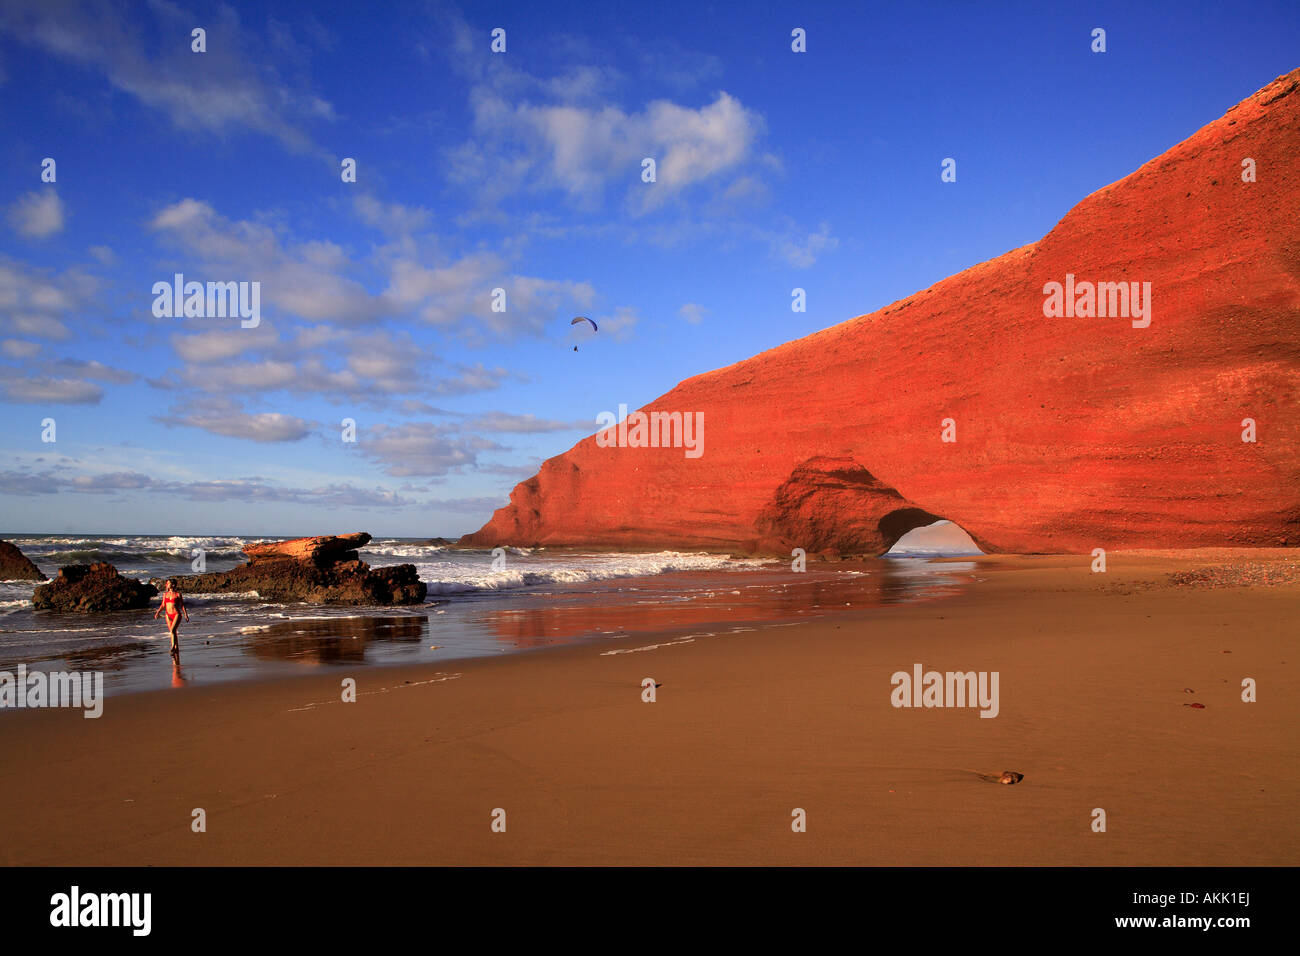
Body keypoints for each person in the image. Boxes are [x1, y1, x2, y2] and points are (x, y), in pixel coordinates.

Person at [153, 579, 189, 655]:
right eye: (166, 583)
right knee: (173, 632)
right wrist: (157, 612)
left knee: (172, 630)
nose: (166, 584)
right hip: (167, 615)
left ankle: (172, 647)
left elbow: (182, 605)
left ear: (173, 585)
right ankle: (176, 648)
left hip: (176, 614)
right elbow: (163, 605)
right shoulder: (165, 594)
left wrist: (186, 614)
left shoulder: (178, 594)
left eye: (168, 583)